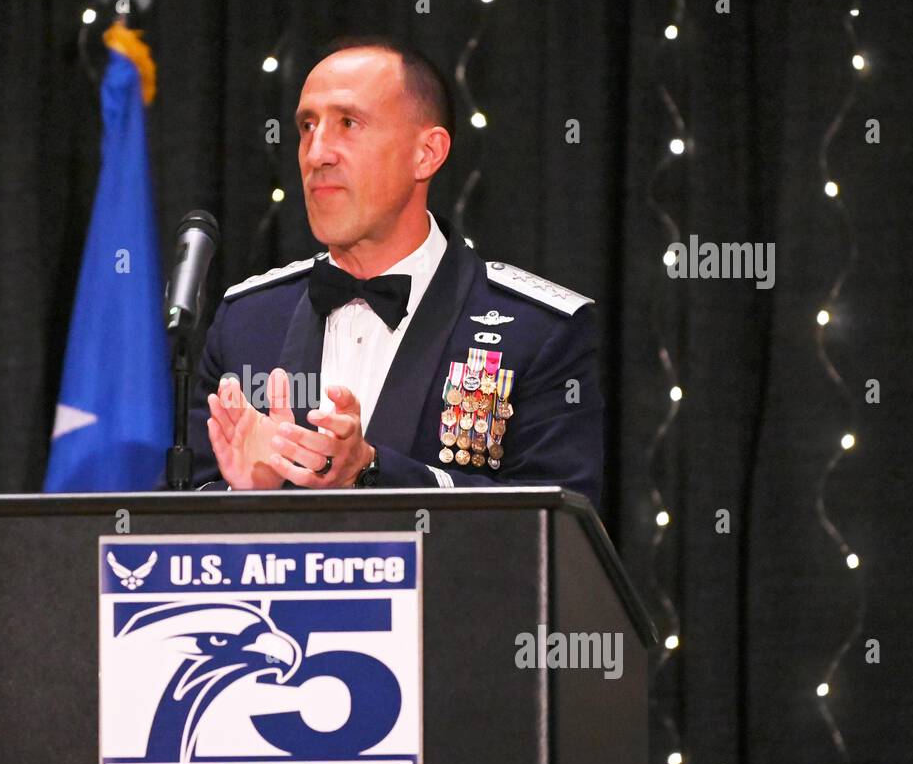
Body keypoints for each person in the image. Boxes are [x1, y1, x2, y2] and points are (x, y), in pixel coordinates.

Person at [187, 35, 604, 507]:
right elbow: (178, 522)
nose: (316, 152)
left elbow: (560, 524)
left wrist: (370, 473)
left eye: (348, 123)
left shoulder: (537, 329)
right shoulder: (247, 321)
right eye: (307, 126)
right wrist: (249, 496)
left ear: (426, 153)